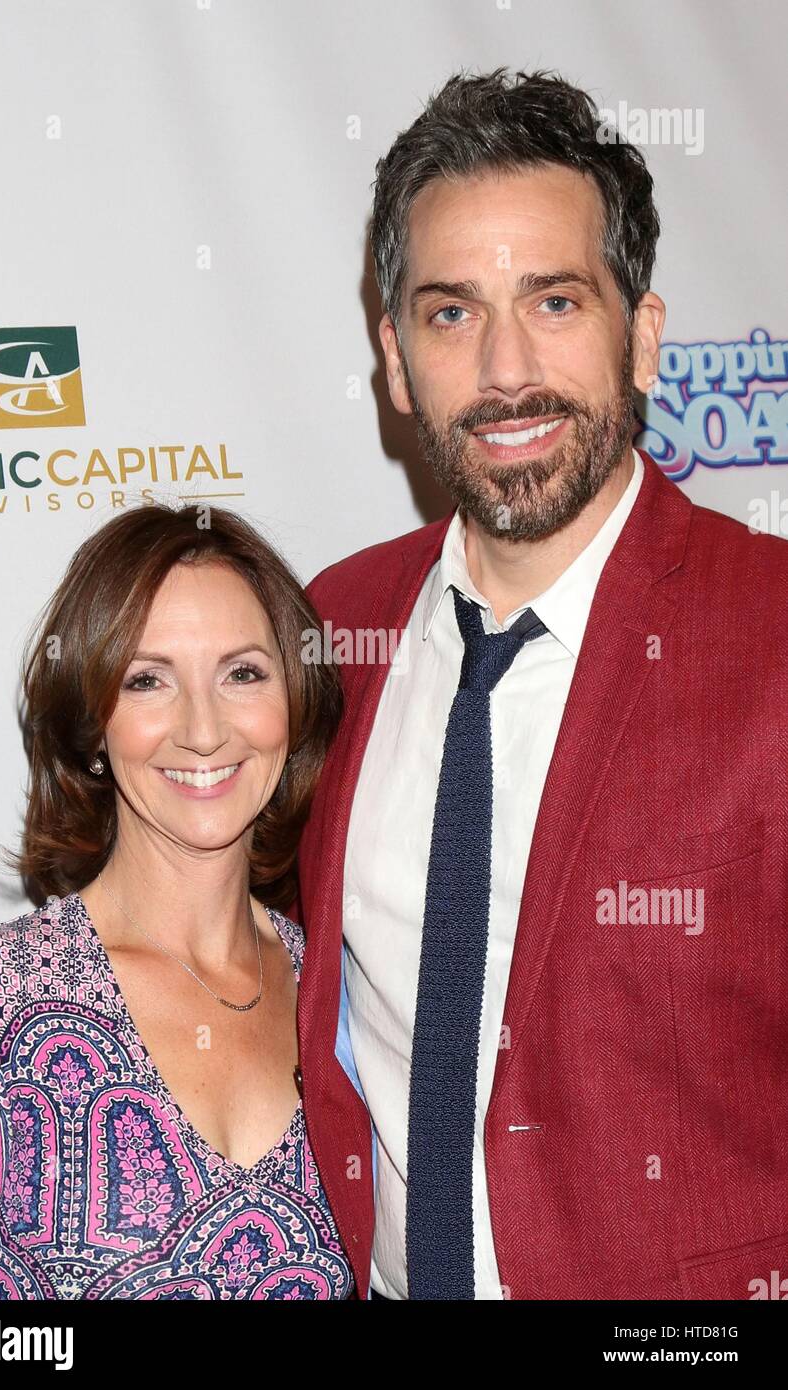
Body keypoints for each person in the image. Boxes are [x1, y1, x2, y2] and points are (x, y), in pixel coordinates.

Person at [292, 67, 788, 1300]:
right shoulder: (329, 626)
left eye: (553, 301)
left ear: (644, 333)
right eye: (451, 313)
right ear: (394, 359)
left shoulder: (768, 628)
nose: (506, 371)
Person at [0, 502, 359, 1300]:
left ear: (294, 704)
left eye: (243, 673)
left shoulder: (347, 997)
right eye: (148, 679)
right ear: (92, 720)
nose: (202, 730)